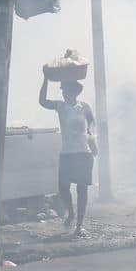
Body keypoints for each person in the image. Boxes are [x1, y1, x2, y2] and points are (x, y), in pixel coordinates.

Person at [39, 70, 95, 237]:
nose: (64, 93)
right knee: (63, 187)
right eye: (63, 91)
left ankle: (79, 225)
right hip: (67, 153)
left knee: (82, 189)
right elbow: (42, 101)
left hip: (83, 153)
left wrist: (91, 134)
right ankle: (70, 212)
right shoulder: (60, 106)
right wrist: (45, 80)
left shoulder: (84, 107)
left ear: (74, 92)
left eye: (66, 90)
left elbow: (92, 122)